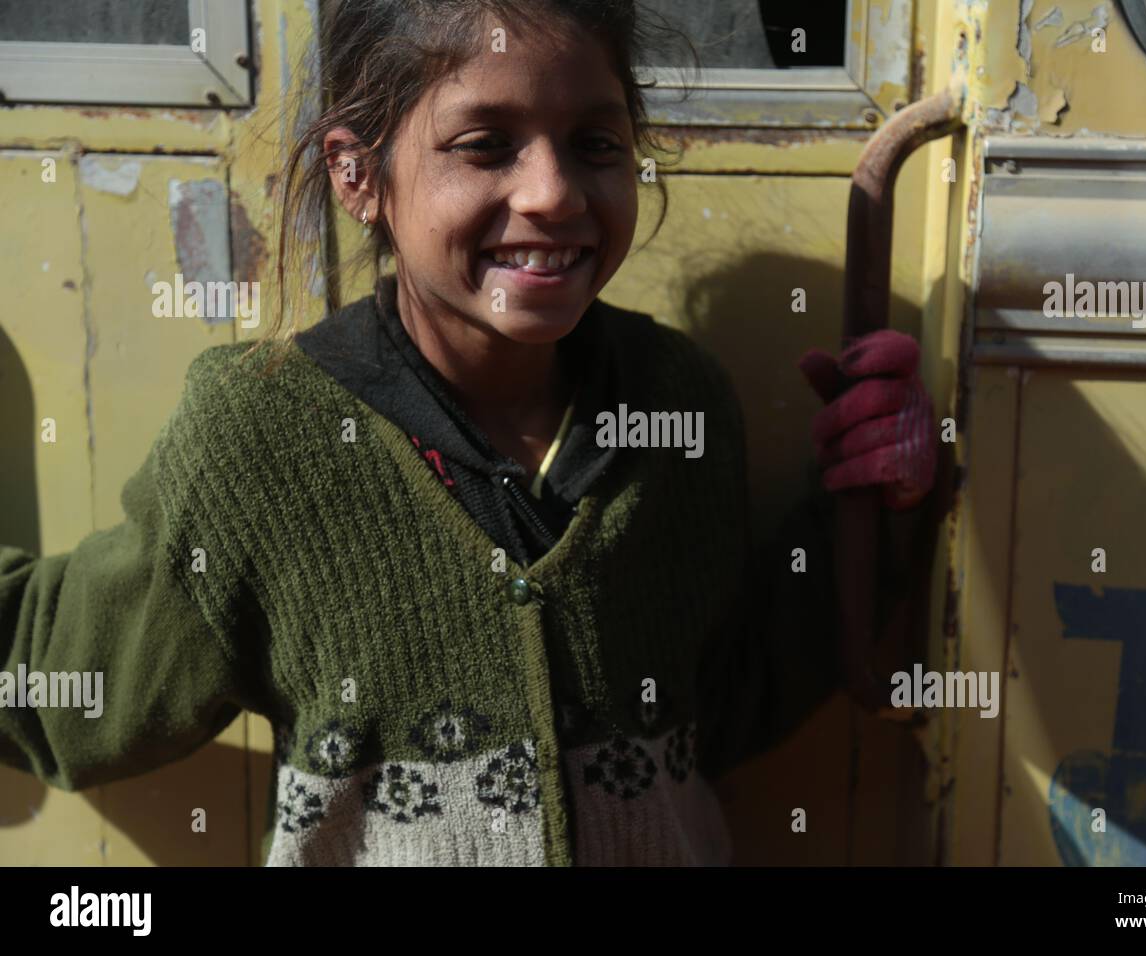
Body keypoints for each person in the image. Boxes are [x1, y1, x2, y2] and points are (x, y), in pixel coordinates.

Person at [0, 0, 935, 866]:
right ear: (358, 174)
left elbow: (716, 706)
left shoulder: (678, 401)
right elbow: (67, 687)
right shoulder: (260, 438)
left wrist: (869, 510)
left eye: (596, 144)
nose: (554, 193)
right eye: (486, 146)